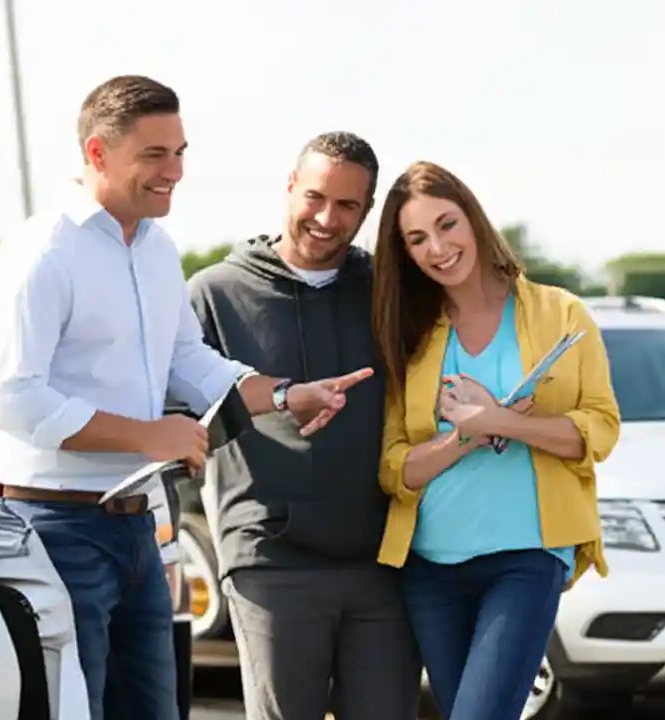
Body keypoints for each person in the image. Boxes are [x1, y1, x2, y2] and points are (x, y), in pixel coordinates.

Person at [0, 74, 373, 720]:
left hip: (141, 528)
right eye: (155, 155)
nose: (175, 172)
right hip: (56, 529)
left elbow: (188, 361)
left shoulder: (158, 250)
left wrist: (283, 394)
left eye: (181, 152)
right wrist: (146, 435)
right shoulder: (39, 253)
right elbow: (13, 399)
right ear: (98, 154)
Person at [369, 160, 621, 720]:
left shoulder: (561, 314)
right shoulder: (409, 334)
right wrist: (466, 436)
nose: (438, 247)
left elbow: (600, 430)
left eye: (447, 224)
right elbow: (395, 469)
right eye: (417, 238)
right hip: (431, 567)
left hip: (527, 558)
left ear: (475, 220)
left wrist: (502, 421)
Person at [187, 131, 422, 720]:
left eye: (347, 205)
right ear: (290, 187)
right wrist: (274, 402)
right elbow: (180, 429)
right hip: (271, 558)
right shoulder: (214, 295)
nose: (325, 217)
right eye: (315, 196)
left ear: (367, 212)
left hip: (383, 561)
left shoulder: (390, 291)